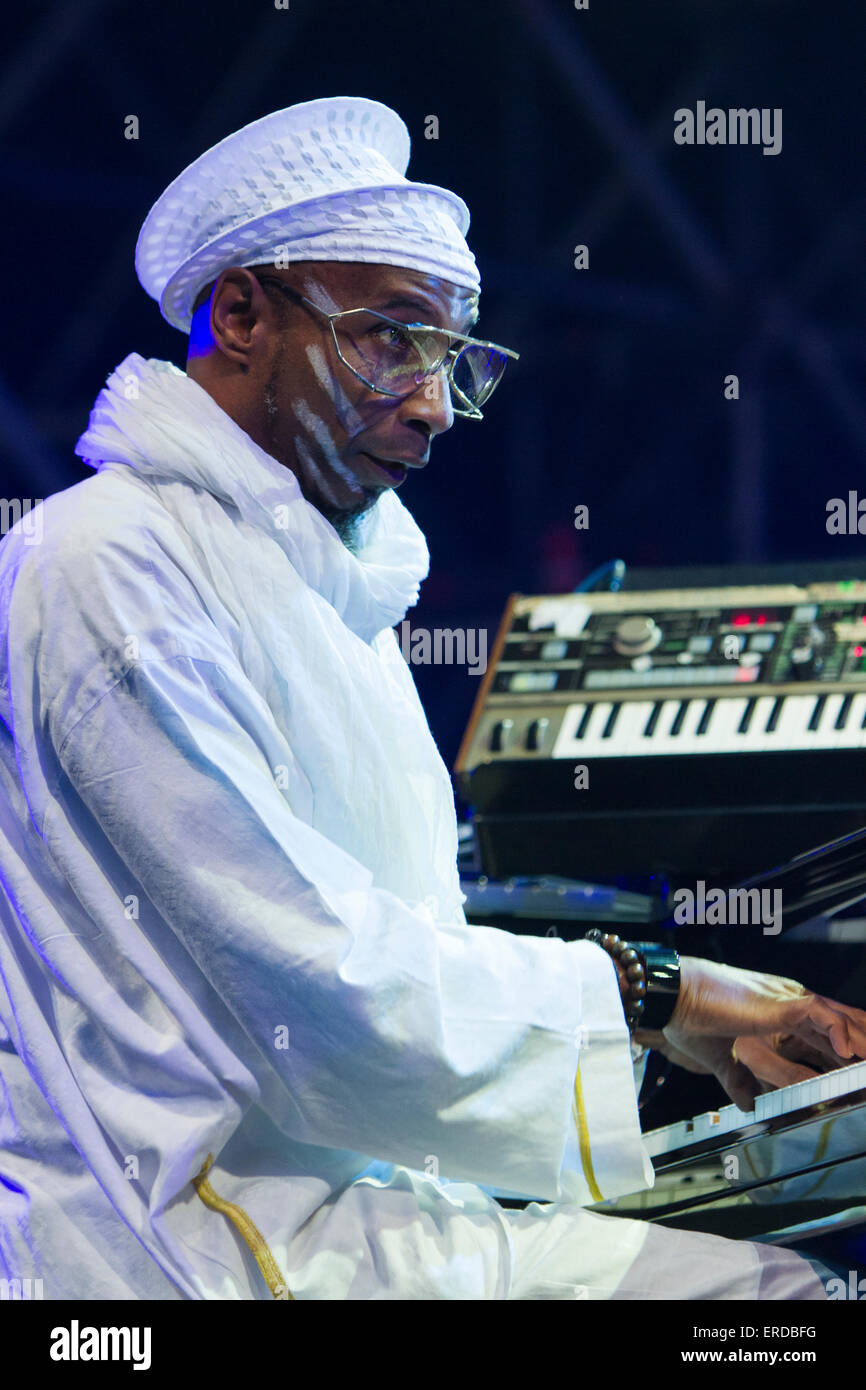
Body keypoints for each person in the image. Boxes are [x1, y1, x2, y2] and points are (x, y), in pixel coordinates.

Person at [0, 96, 863, 1302]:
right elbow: (321, 974)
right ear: (239, 314)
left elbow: (392, 949)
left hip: (350, 1201)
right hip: (196, 1240)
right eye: (388, 340)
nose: (428, 403)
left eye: (455, 360)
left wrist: (673, 1010)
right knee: (780, 1300)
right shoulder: (108, 560)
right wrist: (671, 992)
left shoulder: (319, 577)